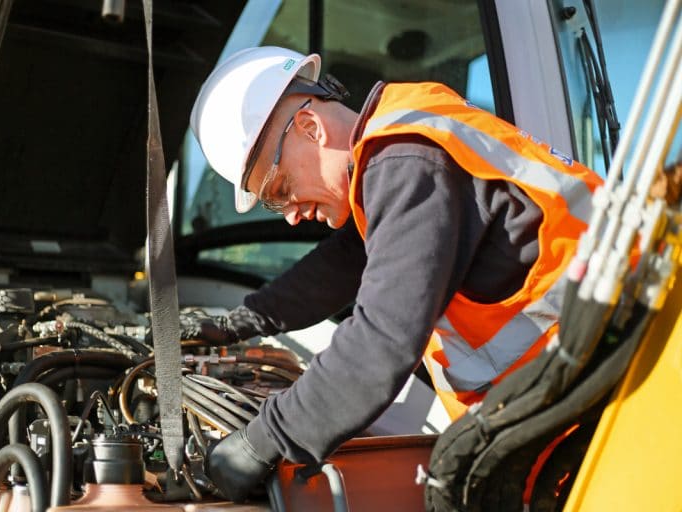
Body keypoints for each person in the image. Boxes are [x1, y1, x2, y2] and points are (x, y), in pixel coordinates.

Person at [182, 46, 602, 502]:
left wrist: (259, 442)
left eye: (279, 189)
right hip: (571, 406)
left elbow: (380, 341)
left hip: (612, 401)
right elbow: (343, 263)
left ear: (310, 127)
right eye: (273, 203)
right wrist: (236, 324)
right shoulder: (399, 143)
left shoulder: (408, 164)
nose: (289, 215)